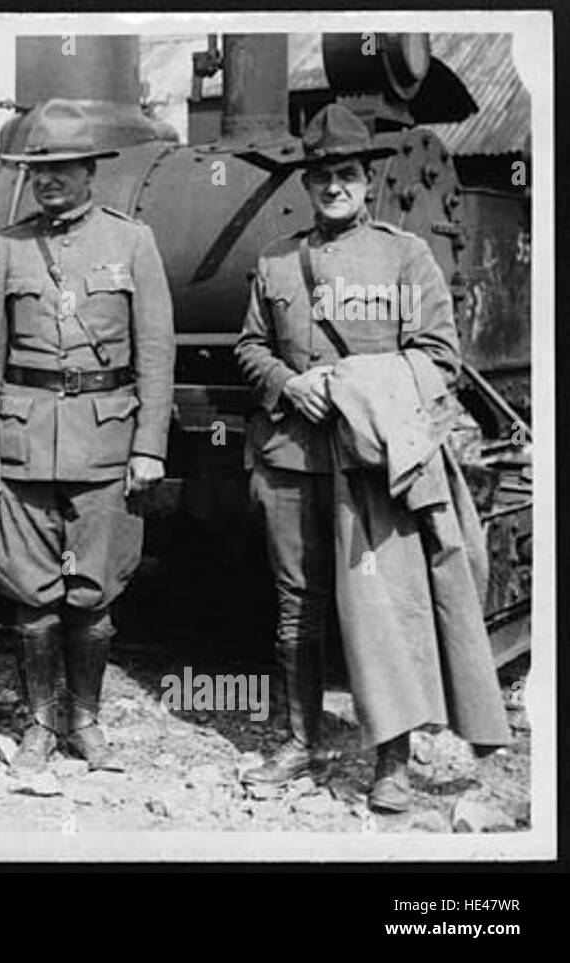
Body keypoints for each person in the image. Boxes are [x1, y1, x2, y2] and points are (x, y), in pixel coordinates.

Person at [235, 103, 508, 812]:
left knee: (387, 609)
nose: (334, 186)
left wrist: (350, 386)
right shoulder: (274, 260)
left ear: (367, 180)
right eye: (322, 175)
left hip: (378, 465)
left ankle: (391, 758)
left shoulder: (404, 255)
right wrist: (291, 382)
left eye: (347, 174)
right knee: (298, 605)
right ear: (308, 183)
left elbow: (439, 358)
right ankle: (299, 740)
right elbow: (249, 347)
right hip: (292, 457)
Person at [0, 100, 176, 775]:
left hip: (108, 439)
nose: (49, 180)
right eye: (38, 170)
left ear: (91, 170)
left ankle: (83, 720)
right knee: (29, 591)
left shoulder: (132, 241)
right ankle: (36, 722)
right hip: (24, 438)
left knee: (94, 590)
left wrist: (149, 444)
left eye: (61, 168)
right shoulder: (7, 244)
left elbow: (156, 354)